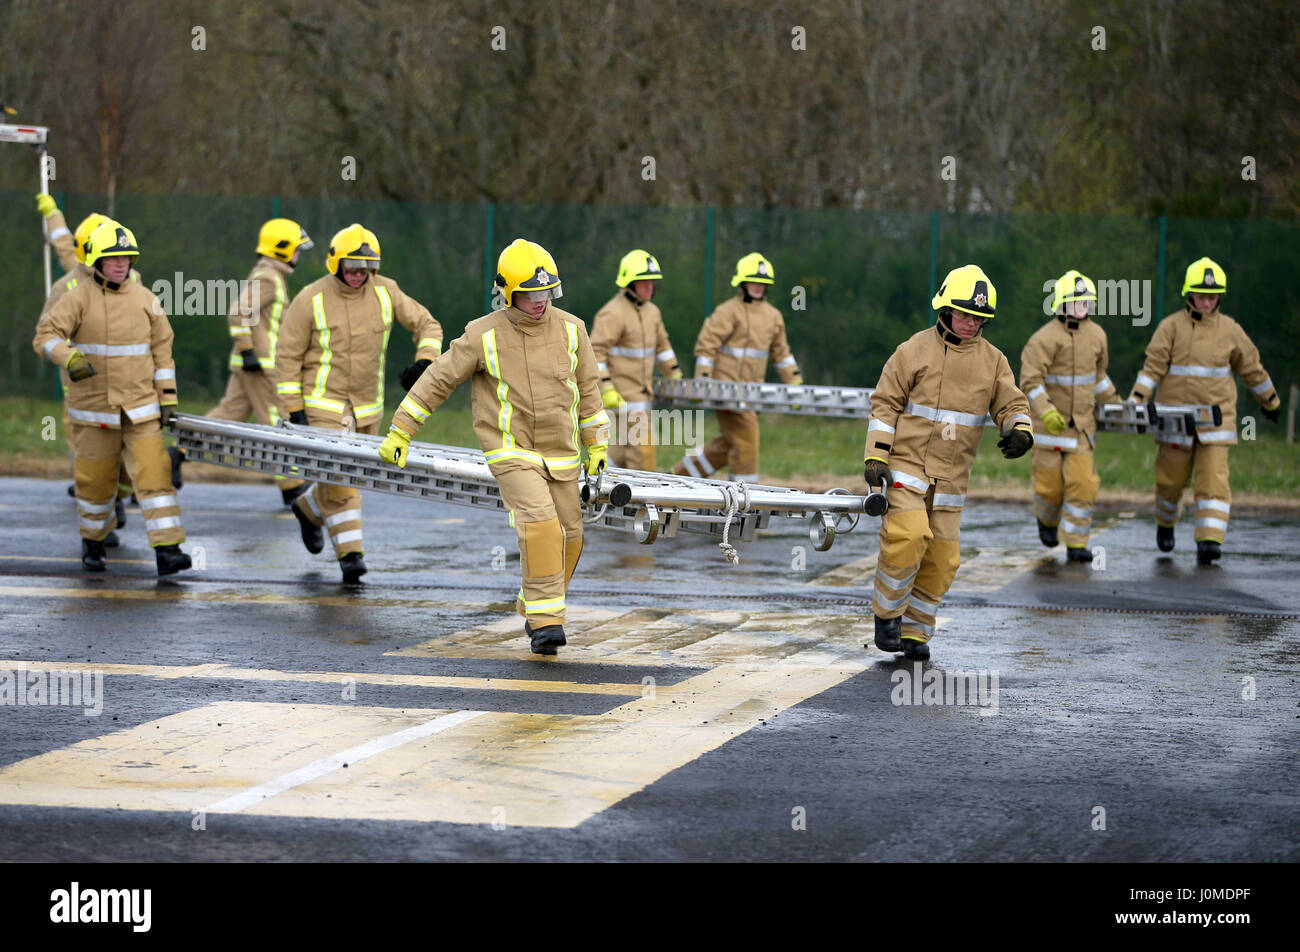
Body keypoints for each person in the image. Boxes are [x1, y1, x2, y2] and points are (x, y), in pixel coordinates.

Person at [377, 239, 609, 656]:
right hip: (511, 449)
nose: (539, 302)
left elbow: (589, 391)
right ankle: (545, 624)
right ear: (506, 292)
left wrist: (597, 444)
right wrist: (401, 430)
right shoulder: (483, 334)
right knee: (540, 523)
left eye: (546, 292)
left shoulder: (573, 329)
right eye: (529, 293)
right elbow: (438, 379)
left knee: (571, 536)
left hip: (562, 454)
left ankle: (535, 601)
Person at [863, 265, 1033, 659]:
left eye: (979, 317)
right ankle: (886, 615)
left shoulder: (994, 362)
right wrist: (876, 456)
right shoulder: (913, 351)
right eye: (964, 314)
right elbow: (885, 404)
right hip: (907, 469)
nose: (971, 323)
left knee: (943, 558)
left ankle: (915, 632)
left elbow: (1011, 403)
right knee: (908, 536)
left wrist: (1021, 429)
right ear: (944, 309)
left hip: (953, 480)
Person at [275, 223, 443, 583]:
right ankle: (351, 557)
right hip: (321, 405)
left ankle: (306, 507)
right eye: (351, 268)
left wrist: (426, 362)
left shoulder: (386, 292)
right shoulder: (310, 298)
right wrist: (292, 406)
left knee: (351, 475)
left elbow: (428, 325)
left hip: (368, 408)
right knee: (340, 478)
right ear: (334, 264)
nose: (357, 275)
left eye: (365, 269)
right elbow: (286, 355)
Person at [32, 220, 193, 575]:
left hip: (141, 410)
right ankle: (93, 543)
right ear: (96, 261)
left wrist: (167, 399)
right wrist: (69, 356)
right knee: (95, 482)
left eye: (126, 258)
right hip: (94, 412)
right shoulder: (77, 297)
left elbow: (163, 352)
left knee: (156, 476)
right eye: (113, 258)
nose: (121, 264)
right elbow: (45, 335)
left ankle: (168, 550)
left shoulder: (147, 299)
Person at [1127, 256, 1281, 565]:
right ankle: (1166, 521)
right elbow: (1153, 367)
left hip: (1216, 423)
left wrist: (1271, 401)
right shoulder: (1170, 327)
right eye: (1202, 295)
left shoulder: (1231, 331)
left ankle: (1209, 541)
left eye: (1212, 296)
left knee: (1213, 482)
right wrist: (1137, 401)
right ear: (1189, 294)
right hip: (1174, 422)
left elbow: (1252, 369)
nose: (1207, 301)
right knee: (1170, 482)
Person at [207, 218, 313, 506]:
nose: (298, 255)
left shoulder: (269, 276)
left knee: (230, 415)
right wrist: (247, 351)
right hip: (261, 368)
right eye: (295, 249)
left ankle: (177, 454)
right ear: (281, 249)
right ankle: (293, 488)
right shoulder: (268, 278)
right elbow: (238, 313)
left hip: (254, 366)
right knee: (277, 426)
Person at [673, 252, 801, 483]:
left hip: (752, 395)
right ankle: (744, 496)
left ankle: (680, 476)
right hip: (726, 392)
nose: (758, 287)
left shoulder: (773, 317)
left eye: (763, 283)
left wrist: (795, 384)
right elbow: (707, 344)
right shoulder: (728, 311)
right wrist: (703, 379)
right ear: (742, 283)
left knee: (730, 442)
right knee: (746, 439)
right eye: (753, 281)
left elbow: (781, 353)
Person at [1019, 270, 1119, 562]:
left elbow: (1098, 378)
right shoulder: (1043, 339)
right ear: (1061, 304)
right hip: (1049, 431)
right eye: (1076, 301)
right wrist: (1046, 411)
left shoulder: (1098, 336)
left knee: (1083, 485)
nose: (1082, 307)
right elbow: (1030, 381)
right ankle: (1047, 521)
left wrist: (1117, 403)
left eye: (1087, 302)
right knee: (1050, 488)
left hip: (1082, 431)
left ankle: (1077, 543)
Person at [589, 249, 681, 471]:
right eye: (644, 282)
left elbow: (663, 347)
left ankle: (609, 491)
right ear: (629, 283)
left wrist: (674, 374)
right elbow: (594, 354)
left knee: (621, 454)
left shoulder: (653, 313)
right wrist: (607, 389)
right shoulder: (612, 314)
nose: (650, 287)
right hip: (619, 399)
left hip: (641, 400)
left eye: (652, 282)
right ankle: (643, 503)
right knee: (643, 451)